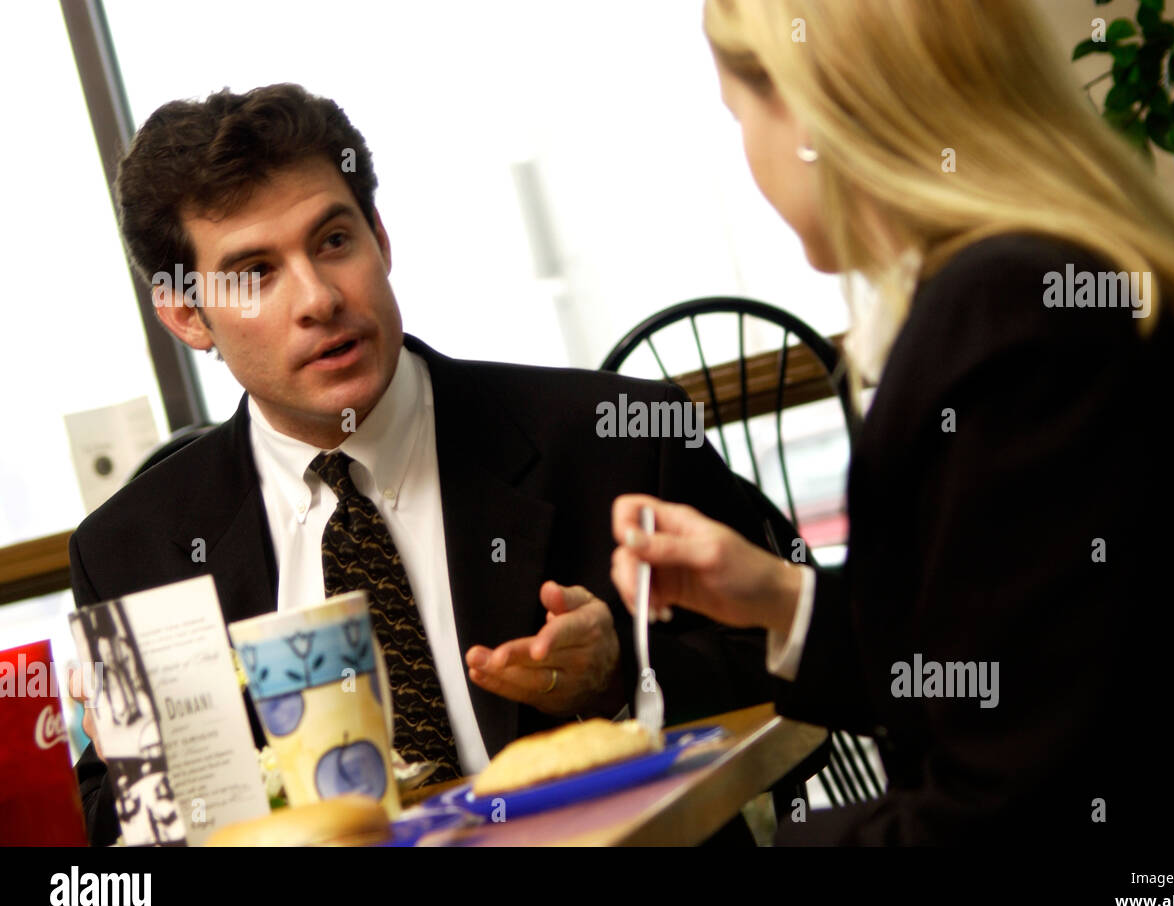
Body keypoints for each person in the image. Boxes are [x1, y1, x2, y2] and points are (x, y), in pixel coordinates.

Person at [610, 0, 1174, 845]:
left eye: (737, 114)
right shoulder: (1050, 279)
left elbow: (1013, 814)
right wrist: (782, 599)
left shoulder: (1010, 321)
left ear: (811, 108)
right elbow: (1026, 678)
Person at [70, 83, 786, 846]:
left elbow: (800, 682)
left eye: (334, 241)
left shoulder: (614, 438)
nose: (318, 297)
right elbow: (111, 825)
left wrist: (620, 681)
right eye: (255, 274)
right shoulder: (131, 552)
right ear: (185, 315)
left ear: (380, 237)